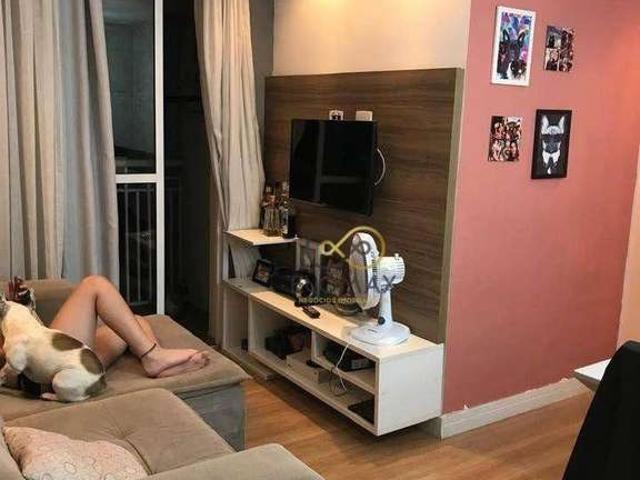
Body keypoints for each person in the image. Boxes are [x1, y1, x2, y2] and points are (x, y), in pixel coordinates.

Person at [0, 275, 209, 380]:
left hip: (42, 353)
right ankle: (153, 357)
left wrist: (17, 307)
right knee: (94, 285)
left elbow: (23, 334)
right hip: (37, 369)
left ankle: (158, 363)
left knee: (135, 324)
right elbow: (12, 354)